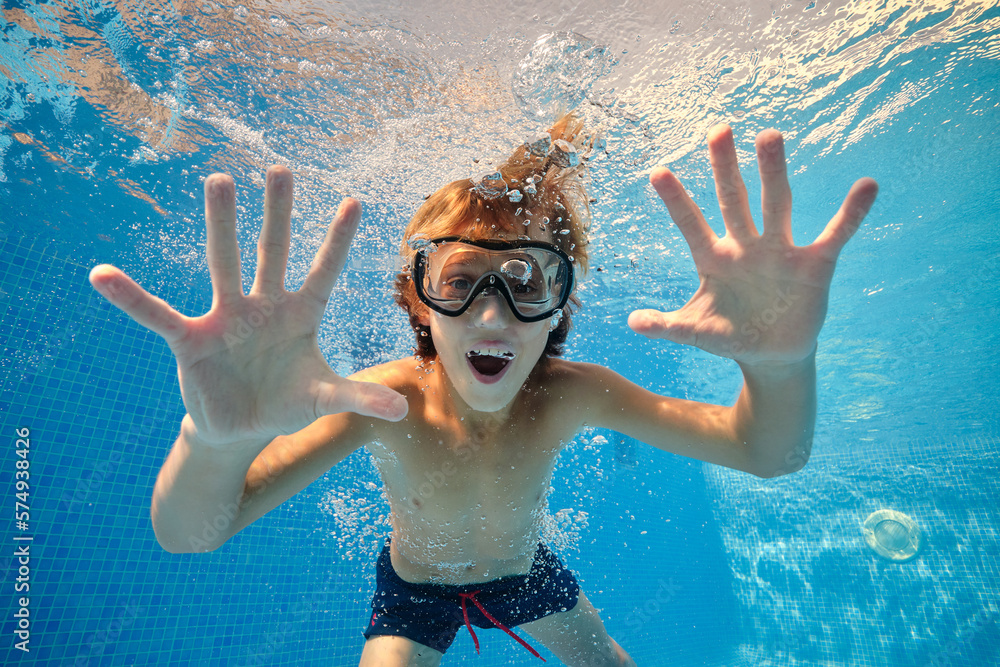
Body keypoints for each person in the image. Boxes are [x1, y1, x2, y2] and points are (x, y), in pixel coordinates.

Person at [88, 112, 878, 666]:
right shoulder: (380, 401)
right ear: (418, 303)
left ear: (558, 309)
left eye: (524, 283)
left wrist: (778, 367)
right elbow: (190, 532)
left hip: (527, 571)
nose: (492, 312)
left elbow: (766, 452)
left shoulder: (572, 392)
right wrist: (214, 438)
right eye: (460, 282)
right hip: (414, 593)